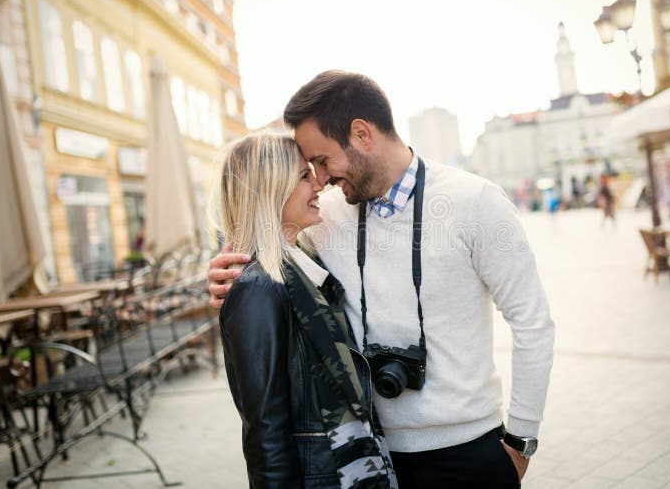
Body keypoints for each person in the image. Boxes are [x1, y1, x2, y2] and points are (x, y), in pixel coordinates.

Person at [209, 71, 555, 488]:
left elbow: (532, 323)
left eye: (321, 160)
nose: (319, 178)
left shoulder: (476, 202)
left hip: (470, 452)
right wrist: (224, 273)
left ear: (361, 135)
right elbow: (266, 245)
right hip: (371, 459)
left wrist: (521, 439)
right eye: (310, 169)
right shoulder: (325, 215)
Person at [214, 132, 396, 488]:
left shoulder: (303, 265)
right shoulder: (259, 287)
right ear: (270, 190)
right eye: (302, 176)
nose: (318, 184)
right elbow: (265, 429)